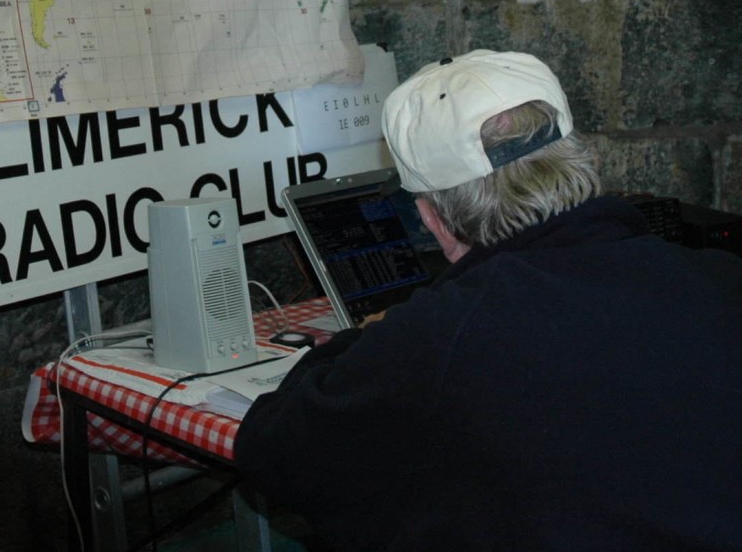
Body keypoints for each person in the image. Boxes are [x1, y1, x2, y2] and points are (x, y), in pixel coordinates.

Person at [234, 49, 742, 551]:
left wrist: (361, 339)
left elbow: (272, 452)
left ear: (432, 218)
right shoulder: (722, 277)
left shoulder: (442, 334)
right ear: (584, 164)